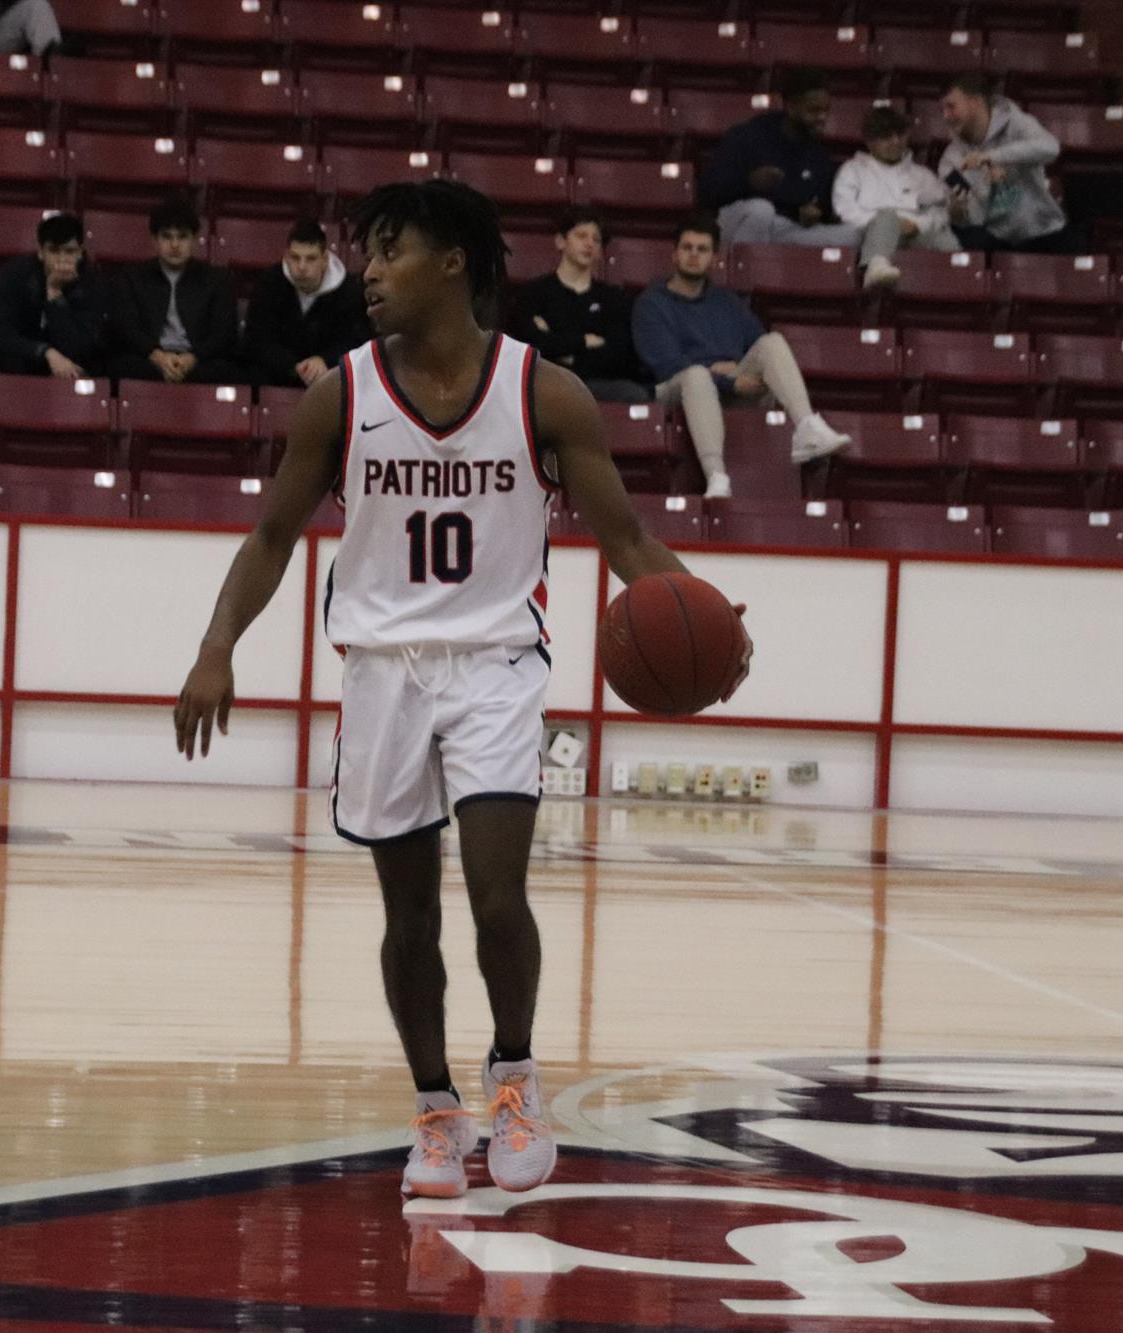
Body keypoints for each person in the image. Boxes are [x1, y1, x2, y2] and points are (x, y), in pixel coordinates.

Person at [173, 180, 750, 1201]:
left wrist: (702, 614)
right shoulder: (341, 393)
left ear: (451, 263)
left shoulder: (545, 391)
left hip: (495, 665)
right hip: (382, 672)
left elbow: (621, 537)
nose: (371, 273)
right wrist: (216, 645)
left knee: (494, 897)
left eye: (390, 252)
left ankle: (514, 1076)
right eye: (370, 254)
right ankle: (435, 1108)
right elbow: (270, 535)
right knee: (409, 919)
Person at [631, 217, 852, 497]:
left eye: (702, 249)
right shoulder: (651, 303)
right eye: (687, 248)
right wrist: (727, 380)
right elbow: (665, 364)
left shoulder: (726, 301)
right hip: (677, 387)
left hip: (731, 383)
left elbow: (757, 345)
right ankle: (716, 476)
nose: (694, 255)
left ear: (713, 257)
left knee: (772, 342)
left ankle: (807, 426)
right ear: (674, 253)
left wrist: (736, 376)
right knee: (696, 376)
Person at [698, 68, 861, 250]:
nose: (821, 118)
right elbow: (708, 193)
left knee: (853, 235)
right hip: (738, 221)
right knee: (761, 210)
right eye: (814, 110)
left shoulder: (818, 152)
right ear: (791, 107)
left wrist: (814, 212)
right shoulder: (749, 135)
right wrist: (749, 183)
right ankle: (744, 273)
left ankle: (770, 260)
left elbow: (821, 205)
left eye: (825, 110)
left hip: (786, 228)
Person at [505, 208, 650, 404]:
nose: (589, 243)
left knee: (634, 393)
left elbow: (619, 356)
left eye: (596, 240)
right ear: (561, 241)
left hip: (596, 386)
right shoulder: (533, 293)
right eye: (581, 236)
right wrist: (584, 341)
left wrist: (564, 353)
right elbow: (531, 348)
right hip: (545, 385)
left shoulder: (614, 298)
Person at [105, 197, 244, 385]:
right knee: (120, 367)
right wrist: (158, 357)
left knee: (230, 372)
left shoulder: (218, 279)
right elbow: (126, 328)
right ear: (154, 240)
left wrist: (192, 358)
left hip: (199, 361)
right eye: (167, 237)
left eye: (183, 237)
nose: (175, 245)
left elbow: (224, 333)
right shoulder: (131, 277)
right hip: (150, 359)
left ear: (194, 239)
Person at [831, 104, 960, 291]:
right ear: (869, 142)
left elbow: (941, 211)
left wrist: (917, 225)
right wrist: (892, 225)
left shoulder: (922, 175)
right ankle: (876, 269)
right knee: (887, 217)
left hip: (918, 233)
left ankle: (956, 285)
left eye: (900, 135)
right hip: (870, 233)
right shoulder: (852, 170)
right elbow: (844, 210)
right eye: (886, 137)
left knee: (945, 236)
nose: (895, 141)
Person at [936, 73, 1069, 253]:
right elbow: (975, 217)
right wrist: (958, 212)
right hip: (996, 239)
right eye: (942, 109)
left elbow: (1050, 148)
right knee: (969, 240)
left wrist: (992, 156)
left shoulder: (1016, 123)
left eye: (951, 107)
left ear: (976, 102)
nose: (945, 116)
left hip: (1042, 231)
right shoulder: (950, 161)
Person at [242, 219, 371, 390]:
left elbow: (356, 342)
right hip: (276, 376)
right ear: (286, 257)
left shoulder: (350, 292)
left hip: (332, 379)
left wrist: (325, 360)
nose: (302, 267)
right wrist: (294, 366)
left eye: (311, 258)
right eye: (295, 258)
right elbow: (256, 339)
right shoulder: (269, 283)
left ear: (324, 259)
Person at [0, 213, 109, 377]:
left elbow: (78, 348)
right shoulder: (15, 275)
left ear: (80, 253)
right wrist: (46, 352)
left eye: (69, 252)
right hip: (25, 358)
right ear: (41, 252)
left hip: (71, 365)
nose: (62, 260)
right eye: (54, 251)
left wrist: (55, 294)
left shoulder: (93, 285)